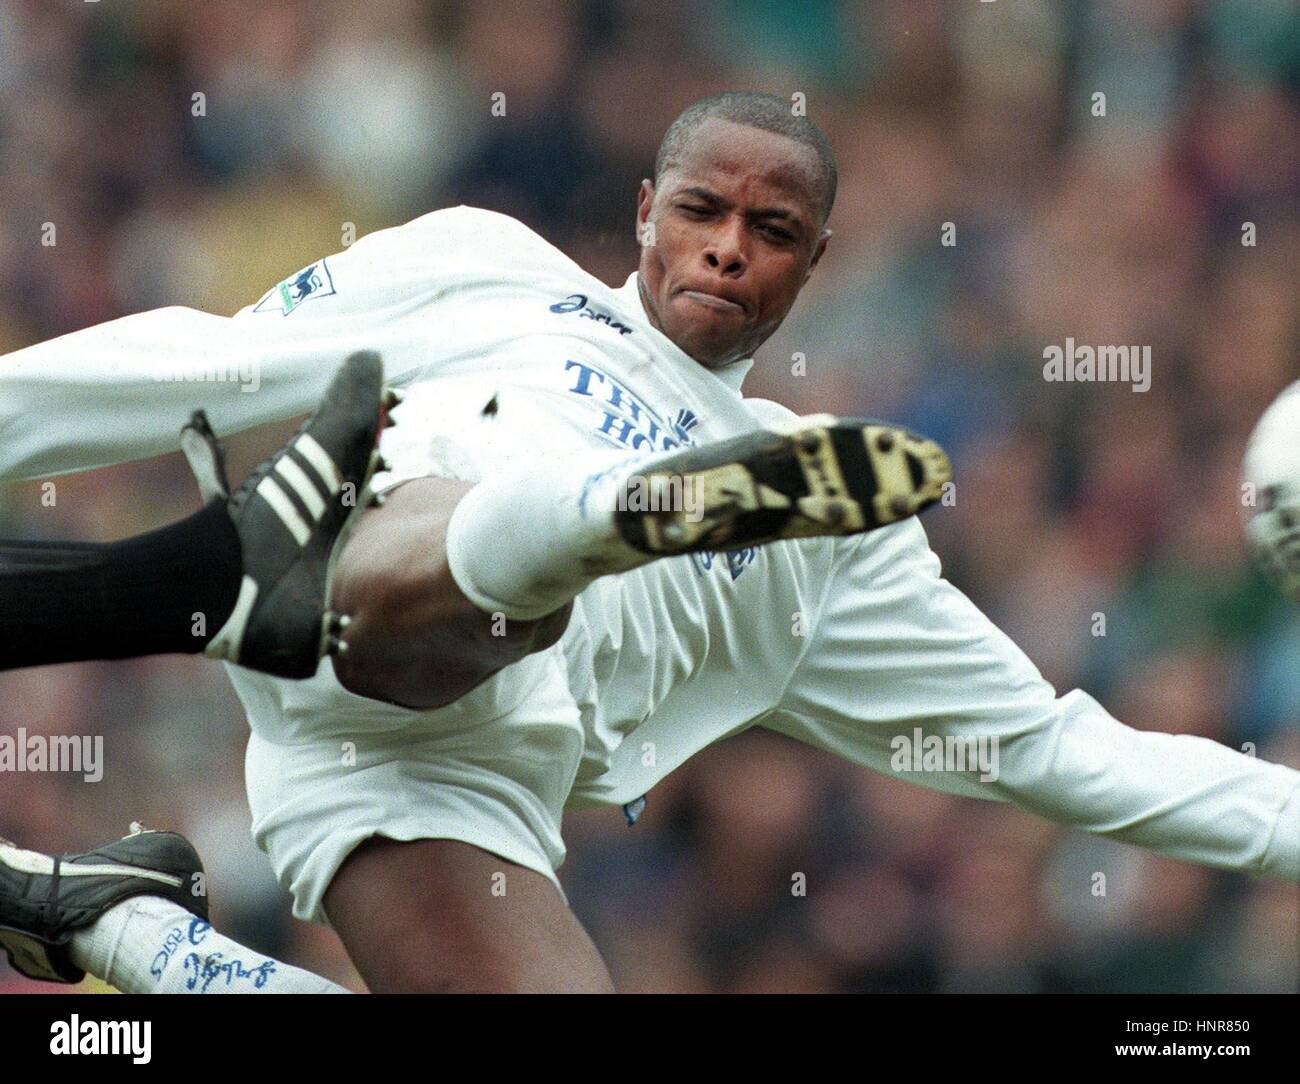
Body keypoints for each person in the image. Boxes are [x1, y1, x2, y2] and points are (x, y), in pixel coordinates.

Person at [1, 93, 1296, 994]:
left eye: (773, 232)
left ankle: (130, 934)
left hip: (443, 789)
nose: (729, 248)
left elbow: (1064, 756)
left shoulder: (828, 523)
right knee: (525, 573)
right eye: (703, 210)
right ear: (644, 209)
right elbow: (209, 363)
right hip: (370, 584)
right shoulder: (490, 270)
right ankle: (609, 515)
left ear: (818, 261)